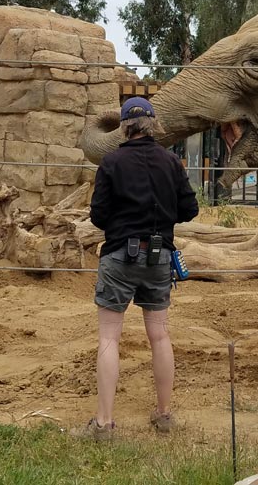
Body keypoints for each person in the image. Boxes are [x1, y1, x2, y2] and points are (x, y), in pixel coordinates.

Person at [76, 96, 199, 441]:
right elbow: (190, 210)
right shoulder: (172, 162)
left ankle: (104, 424)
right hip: (160, 258)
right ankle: (163, 416)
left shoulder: (111, 162)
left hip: (119, 256)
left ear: (125, 126)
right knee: (159, 334)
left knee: (109, 337)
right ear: (153, 124)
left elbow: (98, 216)